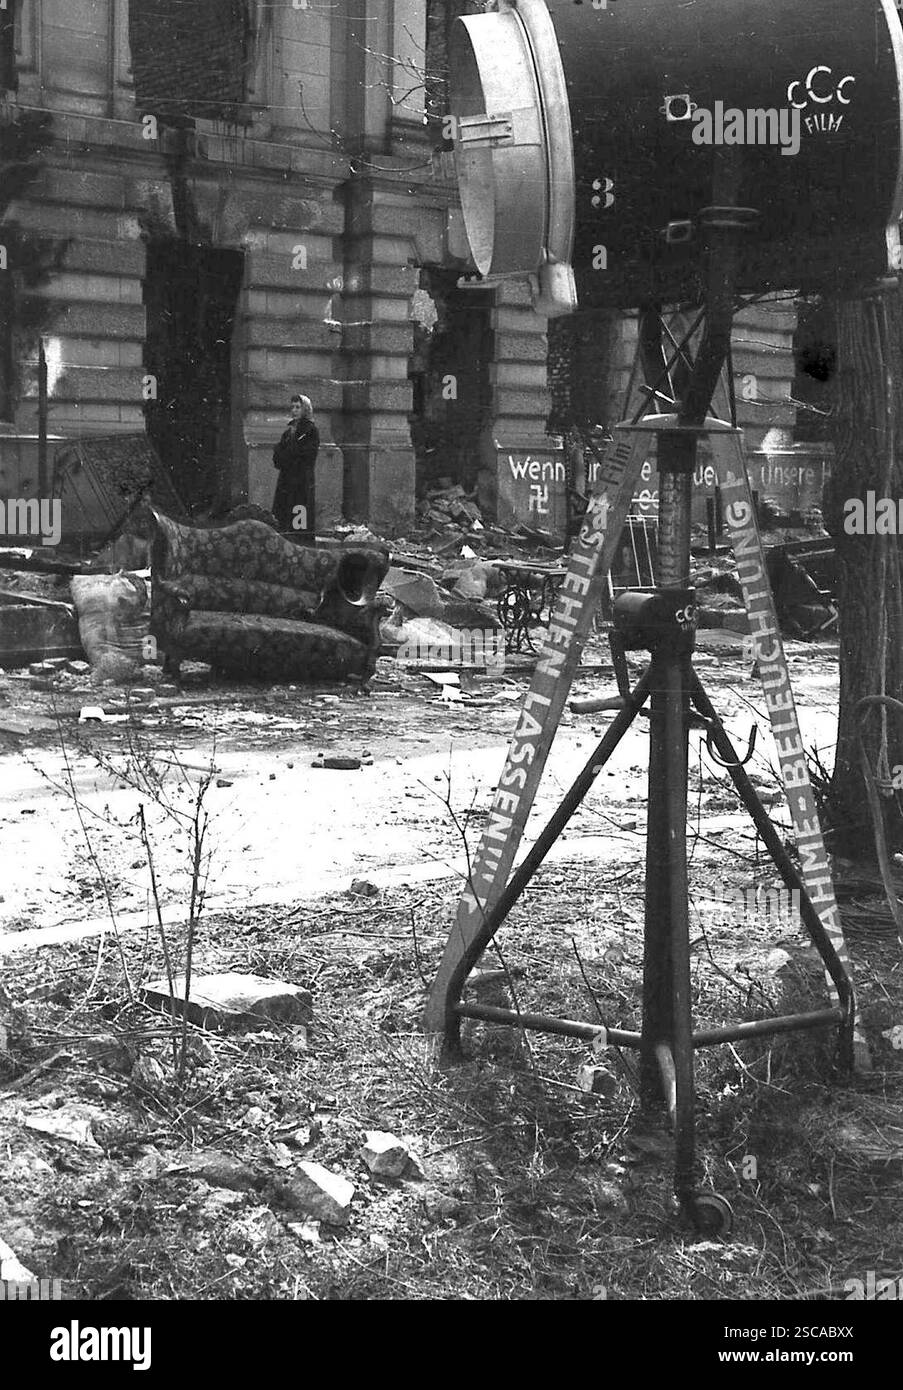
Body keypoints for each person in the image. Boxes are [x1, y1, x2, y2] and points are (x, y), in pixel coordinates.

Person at [272, 394, 319, 536]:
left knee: (299, 511)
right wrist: (287, 454)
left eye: (298, 407)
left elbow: (307, 455)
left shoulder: (310, 430)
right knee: (283, 511)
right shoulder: (288, 432)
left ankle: (300, 541)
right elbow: (278, 457)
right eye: (292, 407)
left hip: (301, 479)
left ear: (305, 409)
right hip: (286, 479)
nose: (294, 410)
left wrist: (289, 453)